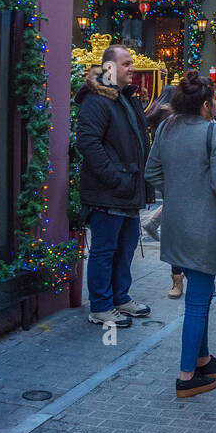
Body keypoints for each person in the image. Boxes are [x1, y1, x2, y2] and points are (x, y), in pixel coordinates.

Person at [144, 71, 216, 398]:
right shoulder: (215, 133)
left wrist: (178, 193)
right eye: (213, 101)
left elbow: (151, 172)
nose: (215, 106)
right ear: (204, 104)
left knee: (201, 292)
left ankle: (203, 359)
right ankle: (187, 375)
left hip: (175, 223)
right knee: (199, 300)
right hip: (203, 225)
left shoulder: (166, 128)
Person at [74, 45, 153, 328]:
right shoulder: (97, 100)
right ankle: (101, 306)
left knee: (126, 246)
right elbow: (88, 143)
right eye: (126, 64)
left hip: (127, 190)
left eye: (132, 63)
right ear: (109, 68)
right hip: (109, 192)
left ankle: (120, 298)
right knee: (105, 250)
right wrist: (115, 178)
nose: (132, 68)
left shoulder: (124, 98)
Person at [141, 85, 185, 299]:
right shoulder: (170, 116)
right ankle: (178, 276)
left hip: (170, 176)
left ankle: (178, 277)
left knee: (176, 228)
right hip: (174, 174)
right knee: (180, 229)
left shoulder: (157, 110)